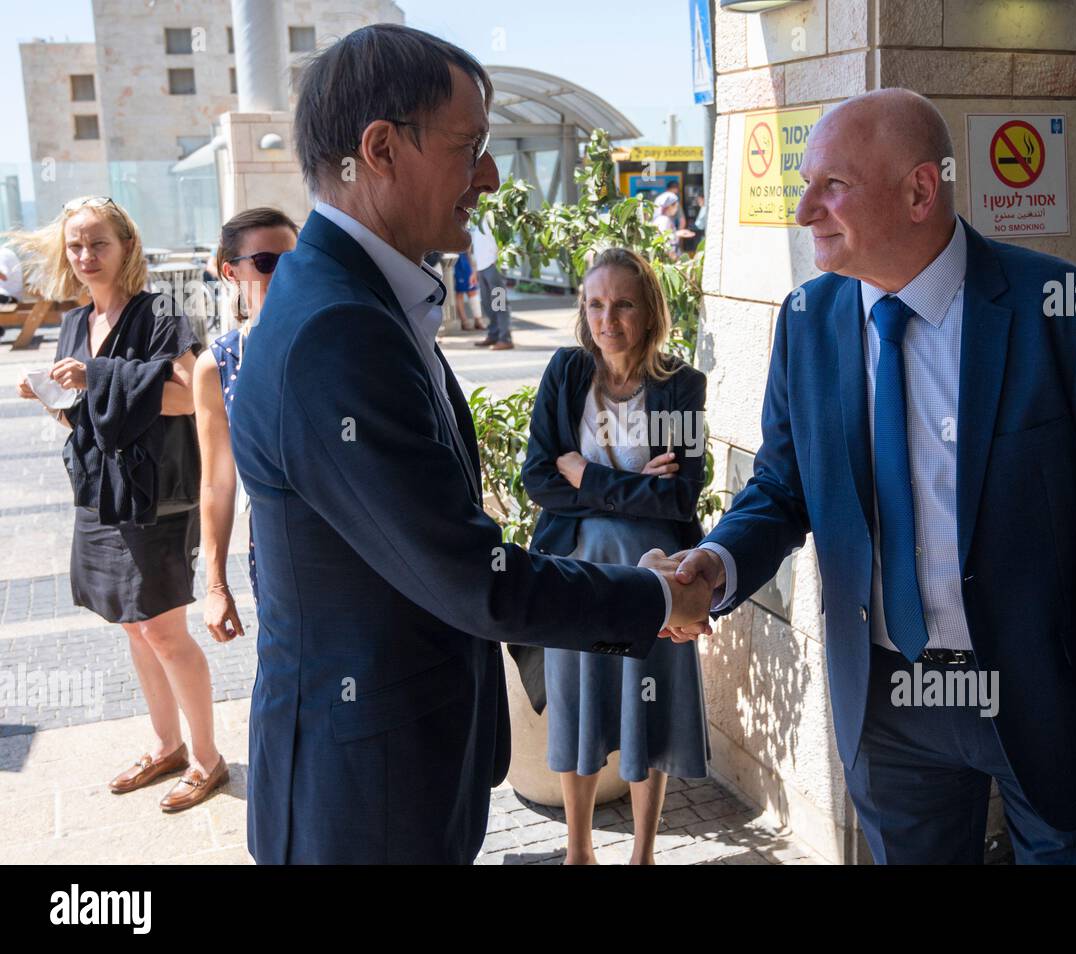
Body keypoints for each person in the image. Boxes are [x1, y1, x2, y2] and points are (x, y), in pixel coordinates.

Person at [664, 89, 1076, 864]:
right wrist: (717, 564)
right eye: (805, 186)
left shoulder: (1072, 313)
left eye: (833, 187)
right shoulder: (809, 322)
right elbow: (785, 488)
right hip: (889, 707)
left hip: (1057, 702)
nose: (806, 211)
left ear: (921, 190)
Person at [229, 24, 711, 865]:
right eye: (471, 147)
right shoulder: (339, 328)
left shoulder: (356, 298)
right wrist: (651, 599)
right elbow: (468, 575)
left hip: (396, 767)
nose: (489, 176)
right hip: (363, 797)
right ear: (380, 149)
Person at [11, 195, 227, 812]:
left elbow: (189, 397)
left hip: (156, 496)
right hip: (99, 496)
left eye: (98, 243)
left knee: (163, 629)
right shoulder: (77, 322)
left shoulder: (159, 312)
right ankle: (166, 745)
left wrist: (96, 379)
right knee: (132, 626)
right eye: (75, 245)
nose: (85, 256)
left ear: (126, 246)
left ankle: (207, 759)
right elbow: (84, 419)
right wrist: (50, 396)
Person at [522, 247, 710, 864]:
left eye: (623, 303)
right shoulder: (566, 373)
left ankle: (643, 854)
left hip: (653, 580)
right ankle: (578, 852)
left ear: (649, 311)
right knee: (576, 713)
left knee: (643, 712)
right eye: (596, 304)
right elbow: (539, 479)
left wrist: (587, 473)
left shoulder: (682, 386)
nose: (608, 319)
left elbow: (680, 497)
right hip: (574, 572)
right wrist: (634, 484)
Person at [193, 207, 299, 641]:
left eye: (294, 259)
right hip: (278, 550)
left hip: (356, 540)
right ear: (230, 273)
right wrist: (216, 585)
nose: (284, 273)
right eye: (266, 262)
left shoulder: (337, 338)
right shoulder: (217, 365)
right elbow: (218, 483)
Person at [470, 219, 513, 350]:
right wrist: (475, 270)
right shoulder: (477, 217)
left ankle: (505, 339)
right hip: (482, 267)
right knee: (487, 304)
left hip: (494, 265)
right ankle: (493, 335)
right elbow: (477, 245)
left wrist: (498, 261)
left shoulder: (495, 215)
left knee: (499, 304)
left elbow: (505, 240)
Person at [652, 192, 693, 260]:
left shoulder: (664, 219)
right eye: (676, 206)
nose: (676, 209)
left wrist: (678, 233)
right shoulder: (664, 220)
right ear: (669, 206)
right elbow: (663, 240)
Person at [451, 250, 483, 332]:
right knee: (459, 293)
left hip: (466, 258)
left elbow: (470, 249)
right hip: (455, 259)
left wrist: (474, 269)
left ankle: (478, 319)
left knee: (473, 291)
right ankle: (464, 321)